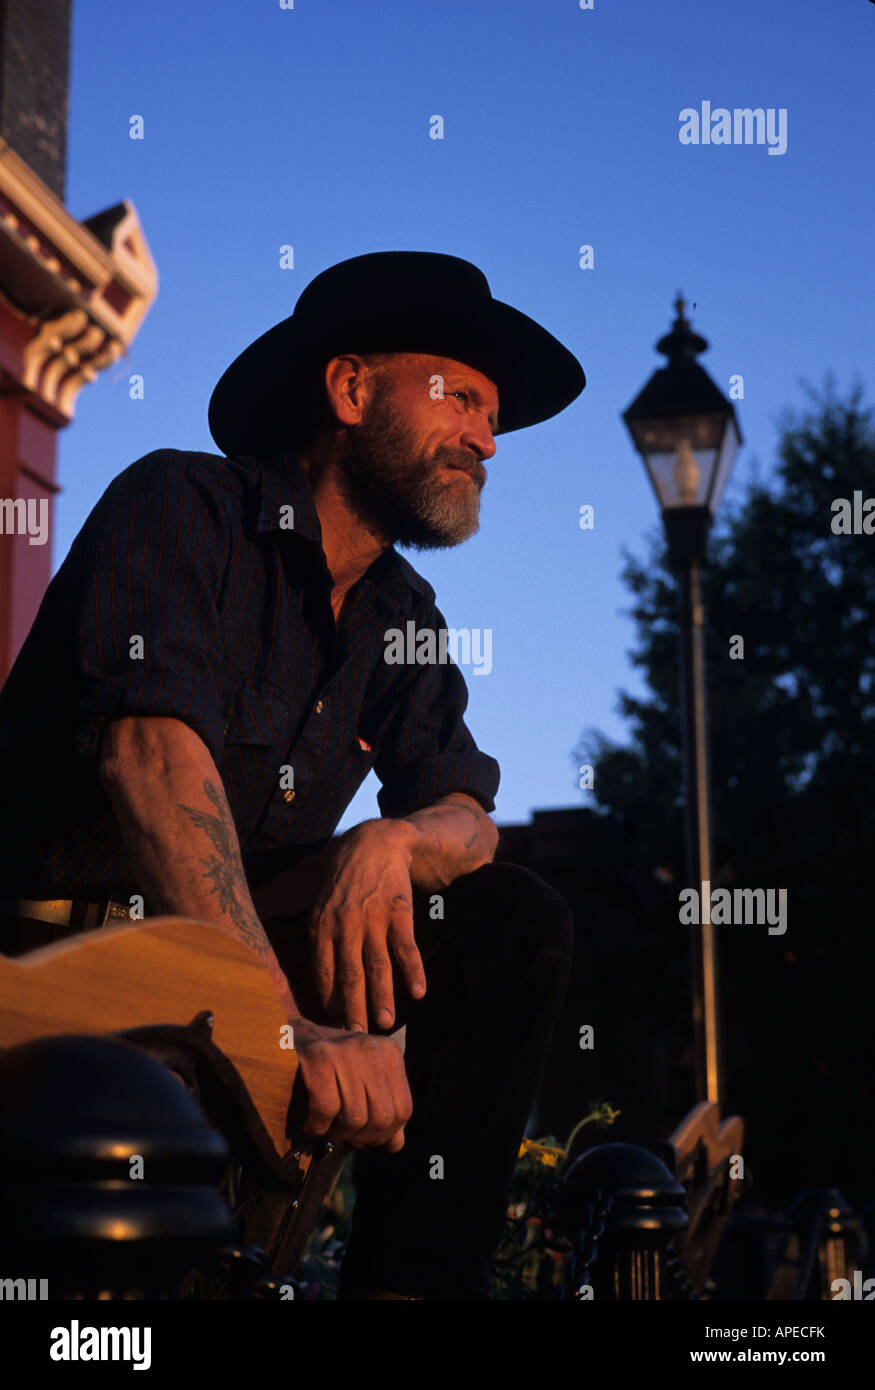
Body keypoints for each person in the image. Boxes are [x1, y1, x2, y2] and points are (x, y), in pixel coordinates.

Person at [0, 251, 585, 1299]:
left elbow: (469, 816)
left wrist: (393, 840)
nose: (485, 440)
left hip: (232, 961)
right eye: (460, 398)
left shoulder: (402, 616)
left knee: (504, 918)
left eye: (493, 417)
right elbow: (150, 757)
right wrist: (281, 1028)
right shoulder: (183, 502)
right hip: (53, 950)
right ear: (350, 389)